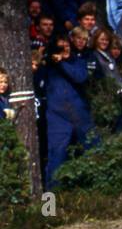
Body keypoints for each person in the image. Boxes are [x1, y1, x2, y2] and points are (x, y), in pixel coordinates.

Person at [39, 37, 95, 186]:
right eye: (60, 48)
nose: (65, 50)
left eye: (67, 47)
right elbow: (39, 82)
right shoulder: (48, 66)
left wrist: (62, 63)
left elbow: (80, 77)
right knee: (57, 153)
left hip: (79, 112)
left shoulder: (77, 61)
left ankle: (96, 185)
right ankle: (52, 194)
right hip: (57, 115)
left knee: (93, 146)